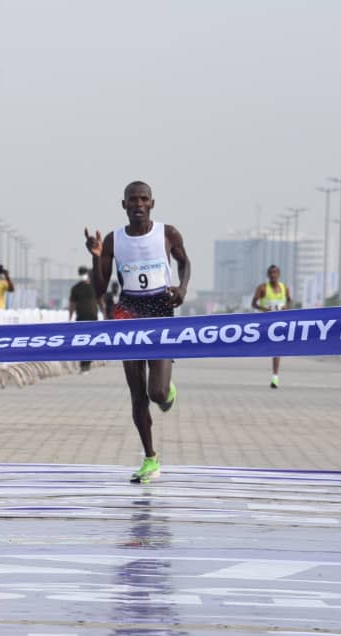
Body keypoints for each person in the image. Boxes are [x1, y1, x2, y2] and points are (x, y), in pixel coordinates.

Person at [84, 180, 190, 483]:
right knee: (137, 394)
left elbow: (185, 263)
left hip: (160, 311)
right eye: (133, 200)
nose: (138, 205)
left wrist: (182, 288)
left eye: (144, 199)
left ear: (152, 203)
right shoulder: (114, 241)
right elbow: (100, 288)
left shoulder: (168, 233)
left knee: (156, 392)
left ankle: (167, 391)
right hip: (128, 312)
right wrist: (96, 256)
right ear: (124, 205)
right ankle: (150, 458)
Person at [251, 264, 291, 388]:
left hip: (278, 323)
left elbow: (289, 301)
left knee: (276, 349)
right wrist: (265, 309)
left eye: (276, 273)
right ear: (268, 275)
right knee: (261, 346)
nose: (273, 275)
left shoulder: (284, 288)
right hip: (265, 322)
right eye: (271, 273)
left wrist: (285, 308)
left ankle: (275, 377)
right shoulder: (262, 288)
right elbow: (254, 304)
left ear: (279, 274)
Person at [69, 266, 100, 373]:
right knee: (82, 341)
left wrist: (104, 314)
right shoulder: (76, 288)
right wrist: (70, 316)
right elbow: (72, 304)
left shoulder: (94, 287)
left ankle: (87, 363)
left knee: (91, 341)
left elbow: (100, 300)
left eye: (84, 273)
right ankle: (83, 364)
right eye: (81, 273)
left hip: (92, 317)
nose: (83, 275)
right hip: (81, 317)